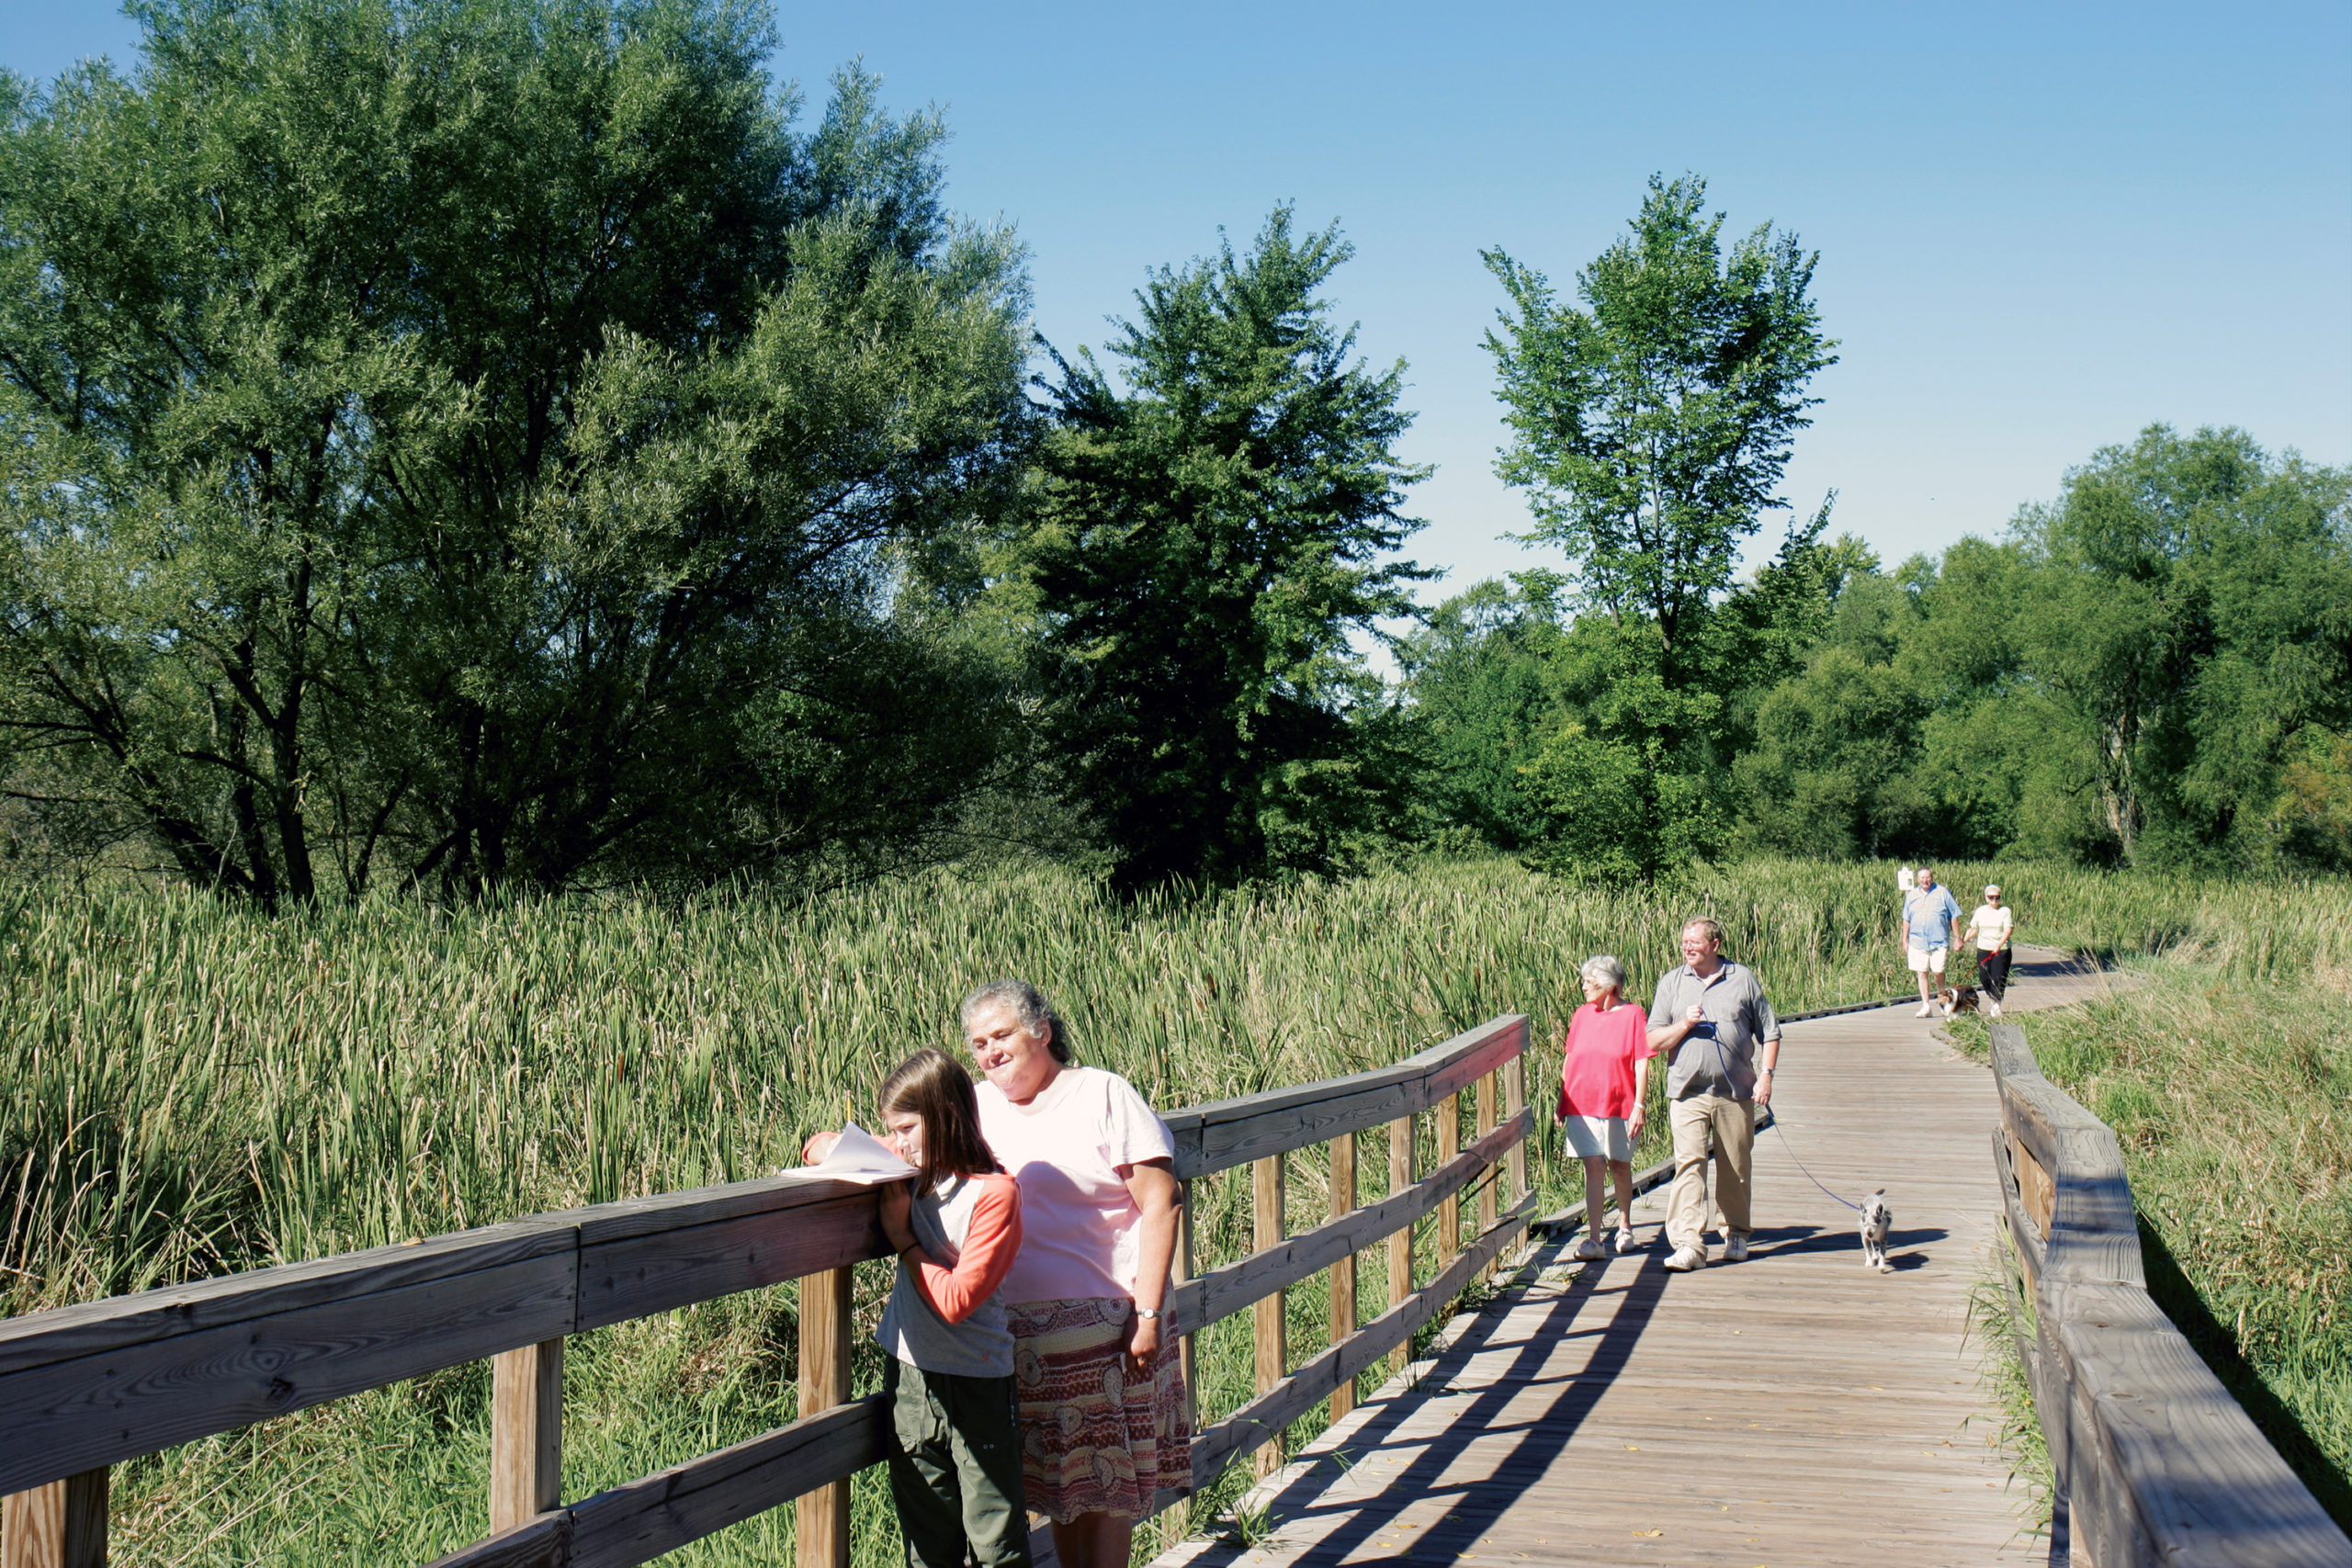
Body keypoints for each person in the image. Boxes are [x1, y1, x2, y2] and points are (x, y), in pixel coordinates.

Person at [960, 979, 1186, 1568]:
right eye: (979, 1043)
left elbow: (1162, 1202)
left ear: (1043, 1030)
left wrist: (1149, 1312)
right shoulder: (977, 1107)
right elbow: (909, 1141)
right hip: (1018, 1334)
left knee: (1106, 1490)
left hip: (1107, 1325)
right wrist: (834, 1146)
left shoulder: (1102, 1094)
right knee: (1061, 1492)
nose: (991, 1052)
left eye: (1002, 1034)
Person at [871, 1050, 1032, 1568]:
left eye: (907, 1128)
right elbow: (820, 1147)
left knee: (996, 1542)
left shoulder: (995, 1195)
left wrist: (903, 1239)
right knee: (927, 1541)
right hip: (913, 1379)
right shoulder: (913, 1170)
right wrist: (838, 1146)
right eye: (890, 1131)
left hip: (977, 1380)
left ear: (943, 1114)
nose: (898, 1143)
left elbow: (957, 1301)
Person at [1647, 917, 1782, 1273]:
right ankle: (1689, 1244)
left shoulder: (1742, 979)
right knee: (1689, 1164)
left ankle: (1736, 1232)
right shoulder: (1672, 983)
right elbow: (1652, 1040)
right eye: (1684, 942)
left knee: (1735, 1166)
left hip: (1734, 1092)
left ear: (1715, 945)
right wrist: (1684, 1025)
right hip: (1686, 1092)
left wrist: (1765, 1077)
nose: (1688, 948)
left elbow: (1770, 1032)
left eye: (1695, 942)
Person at [1557, 954, 1655, 1261]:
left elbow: (1642, 1061)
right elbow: (1570, 1060)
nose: (1584, 987)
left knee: (1619, 1165)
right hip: (1581, 1101)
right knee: (1593, 1167)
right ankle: (1595, 1238)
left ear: (1609, 985)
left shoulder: (1633, 1015)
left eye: (1590, 981)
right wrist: (1562, 1103)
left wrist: (1639, 1104)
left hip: (1620, 1101)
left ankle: (1625, 1226)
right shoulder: (1581, 1015)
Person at [1901, 865, 1964, 1018]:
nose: (1925, 880)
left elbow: (1954, 915)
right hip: (1918, 941)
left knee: (1938, 971)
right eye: (1922, 878)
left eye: (1927, 877)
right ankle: (1926, 1005)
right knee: (1921, 972)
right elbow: (1906, 919)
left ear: (1932, 877)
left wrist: (1957, 937)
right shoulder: (1911, 895)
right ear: (1917, 879)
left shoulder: (1942, 892)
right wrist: (1905, 939)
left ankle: (1943, 999)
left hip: (1938, 941)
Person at [1963, 884, 2016, 1019]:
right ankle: (1991, 997)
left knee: (1998, 977)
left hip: (2001, 949)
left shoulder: (2005, 911)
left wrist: (1999, 944)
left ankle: (1996, 1004)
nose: (1994, 900)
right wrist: (1965, 938)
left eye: (1997, 898)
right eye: (1991, 898)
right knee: (1984, 976)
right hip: (1984, 948)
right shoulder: (1980, 911)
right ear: (1986, 898)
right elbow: (1974, 928)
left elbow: (2008, 930)